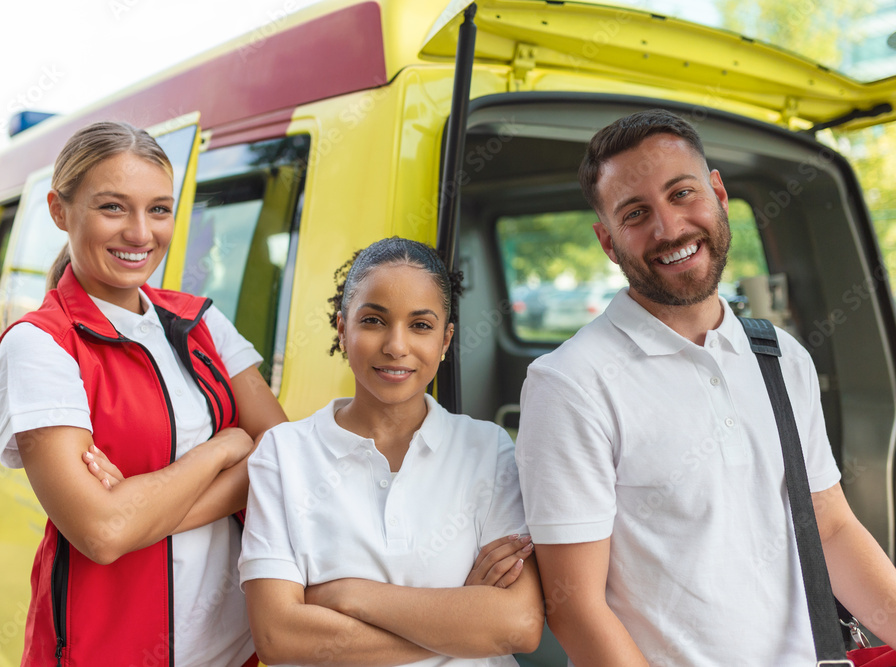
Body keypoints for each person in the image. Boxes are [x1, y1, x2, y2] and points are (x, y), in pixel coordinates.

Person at [515, 108, 896, 666]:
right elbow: (574, 607)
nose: (668, 229)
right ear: (607, 240)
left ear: (716, 192)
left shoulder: (780, 357)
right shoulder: (570, 384)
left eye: (681, 193)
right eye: (635, 213)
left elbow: (832, 528)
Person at [0, 121, 287, 667]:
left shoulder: (201, 321)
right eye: (112, 207)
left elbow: (282, 457)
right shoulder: (40, 345)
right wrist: (223, 449)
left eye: (158, 209)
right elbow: (102, 533)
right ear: (60, 211)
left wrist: (137, 510)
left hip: (235, 649)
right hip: (108, 652)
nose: (140, 233)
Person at [239, 237, 544, 666]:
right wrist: (462, 622)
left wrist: (349, 595)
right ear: (343, 330)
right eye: (374, 321)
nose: (396, 346)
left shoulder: (488, 448)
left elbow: (520, 625)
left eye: (420, 325)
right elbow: (278, 636)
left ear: (445, 338)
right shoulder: (283, 453)